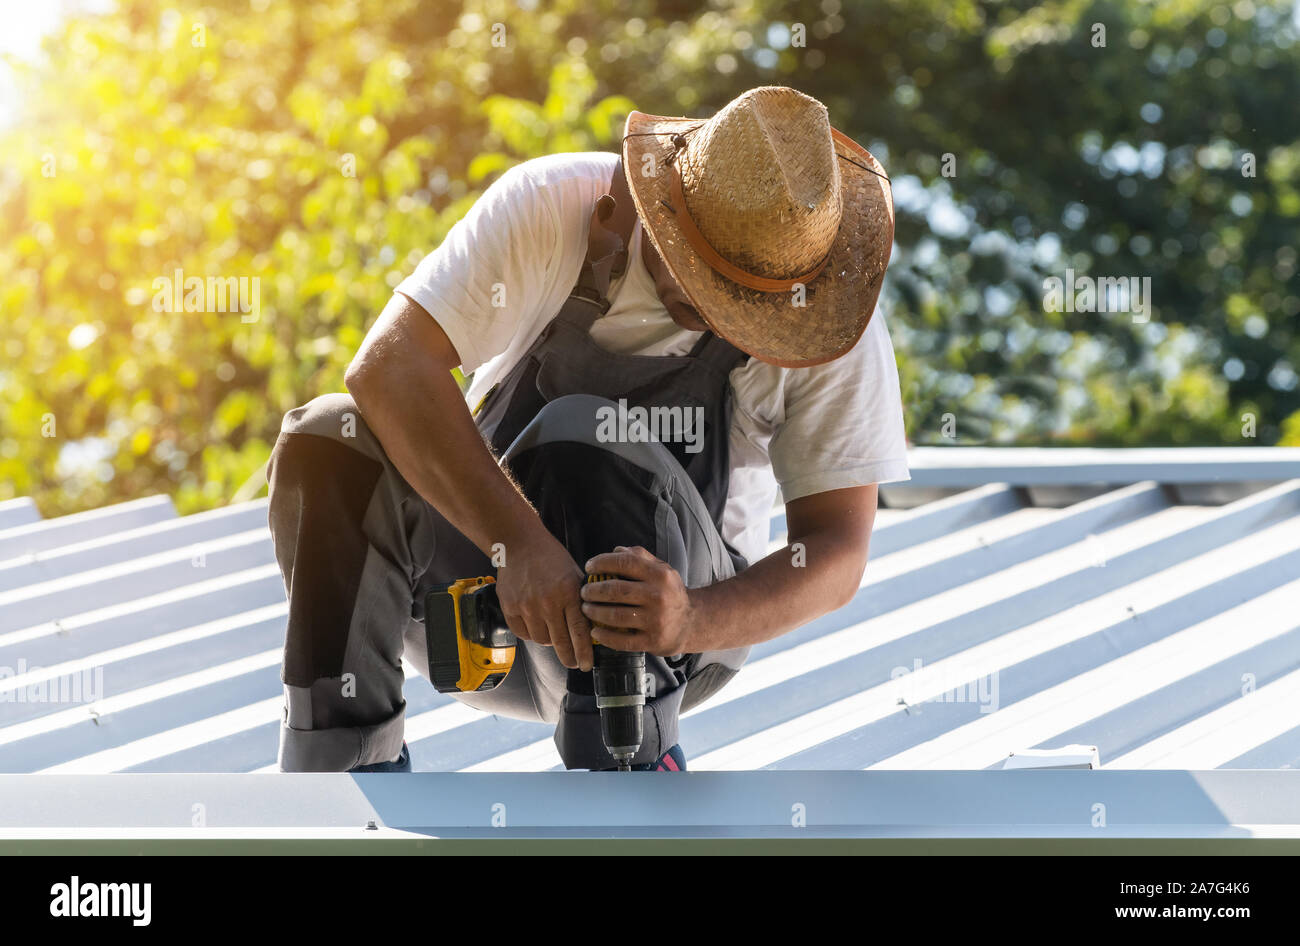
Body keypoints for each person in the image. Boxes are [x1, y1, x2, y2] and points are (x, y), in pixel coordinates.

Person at [267, 85, 908, 773]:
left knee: (589, 433)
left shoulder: (823, 325)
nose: (707, 308)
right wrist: (517, 542)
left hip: (671, 632)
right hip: (485, 609)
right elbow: (388, 369)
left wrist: (691, 617)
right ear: (660, 206)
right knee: (328, 440)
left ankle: (624, 777)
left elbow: (836, 554)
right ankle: (341, 773)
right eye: (696, 273)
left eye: (736, 300)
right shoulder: (549, 207)